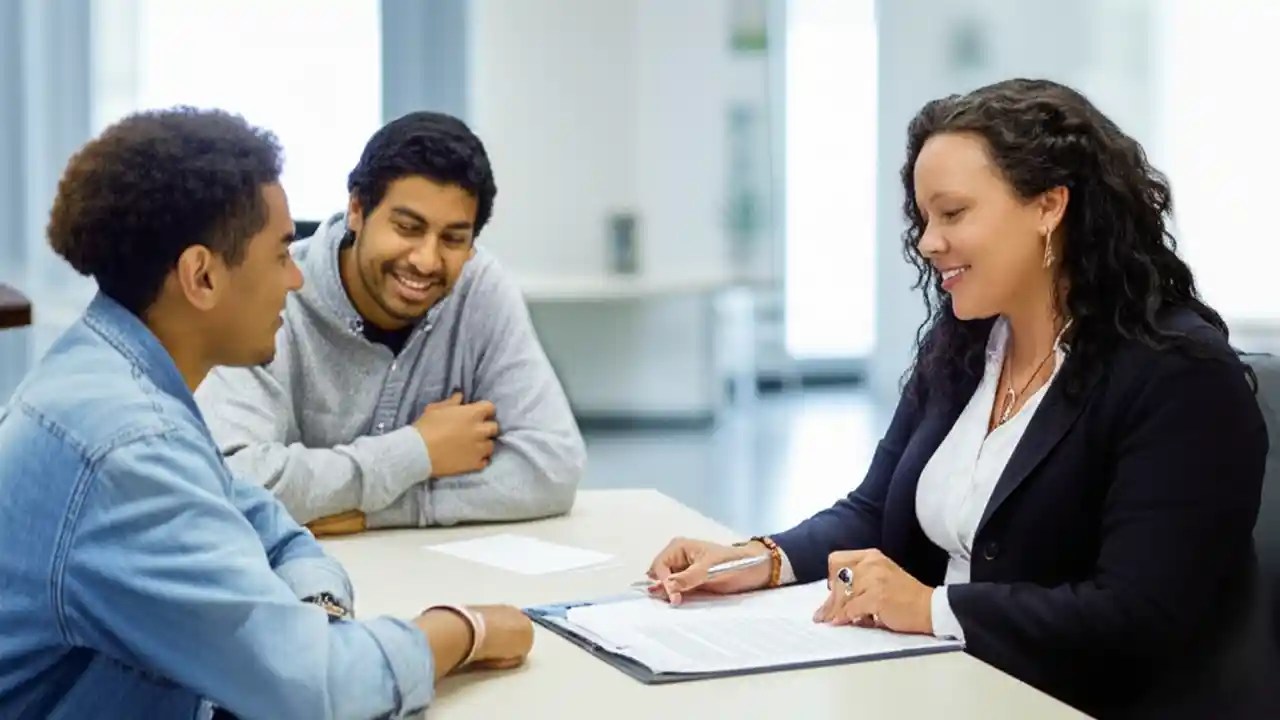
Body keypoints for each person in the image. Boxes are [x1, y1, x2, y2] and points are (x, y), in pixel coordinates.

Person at [644, 79, 1277, 718]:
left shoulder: (1178, 375)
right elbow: (876, 512)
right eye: (923, 219)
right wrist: (760, 560)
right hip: (951, 686)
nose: (926, 242)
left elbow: (1137, 615)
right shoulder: (967, 345)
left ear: (1048, 206)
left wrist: (929, 608)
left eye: (953, 214)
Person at [0, 108, 533, 719]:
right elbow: (320, 691)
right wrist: (463, 630)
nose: (296, 279)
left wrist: (317, 611)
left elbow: (263, 519)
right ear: (202, 276)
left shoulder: (112, 375)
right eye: (281, 253)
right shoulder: (127, 447)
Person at [194, 111, 585, 535]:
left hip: (431, 575)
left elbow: (552, 467)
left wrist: (376, 512)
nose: (426, 260)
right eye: (407, 228)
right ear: (357, 210)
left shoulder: (480, 288)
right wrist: (416, 452)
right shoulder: (277, 295)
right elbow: (234, 479)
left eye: (453, 239)